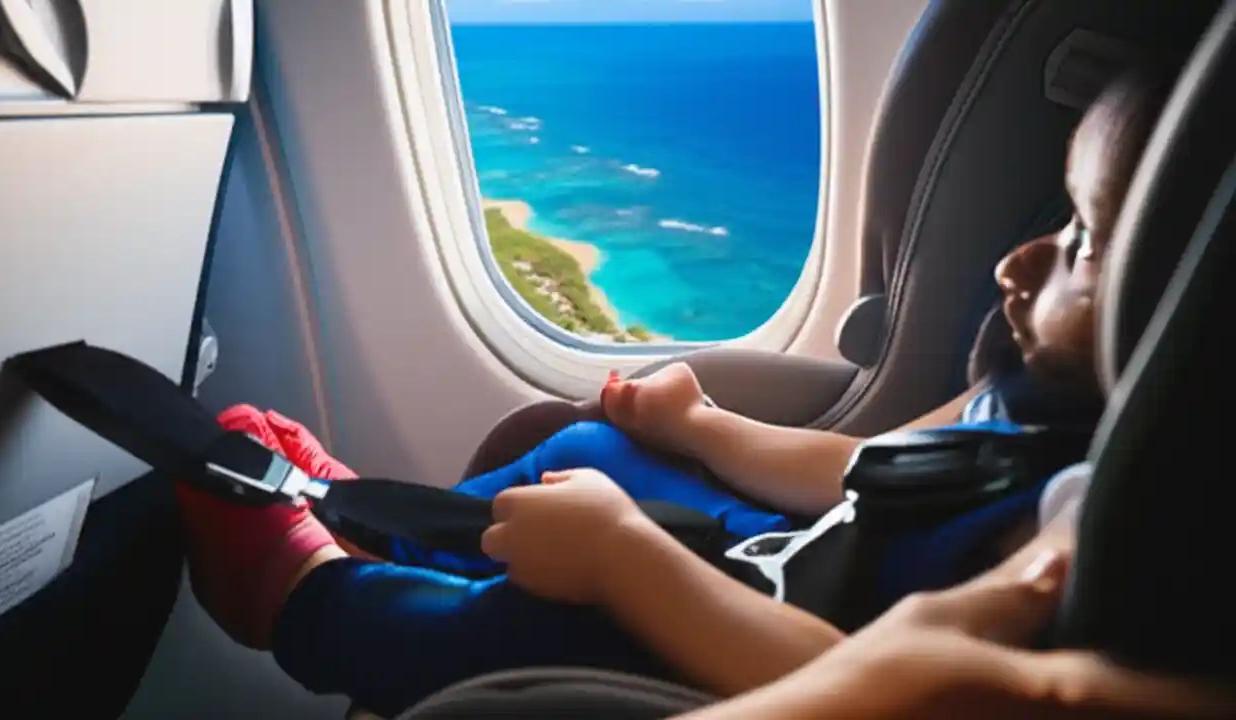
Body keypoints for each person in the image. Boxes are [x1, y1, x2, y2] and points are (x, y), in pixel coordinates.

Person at [175, 70, 1186, 717]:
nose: (1018, 263)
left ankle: (307, 597)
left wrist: (625, 562)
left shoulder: (1093, 519)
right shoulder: (1033, 397)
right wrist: (700, 425)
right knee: (594, 451)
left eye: (1084, 243)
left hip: (764, 639)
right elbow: (858, 470)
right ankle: (397, 531)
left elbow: (863, 674)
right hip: (792, 556)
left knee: (534, 628)